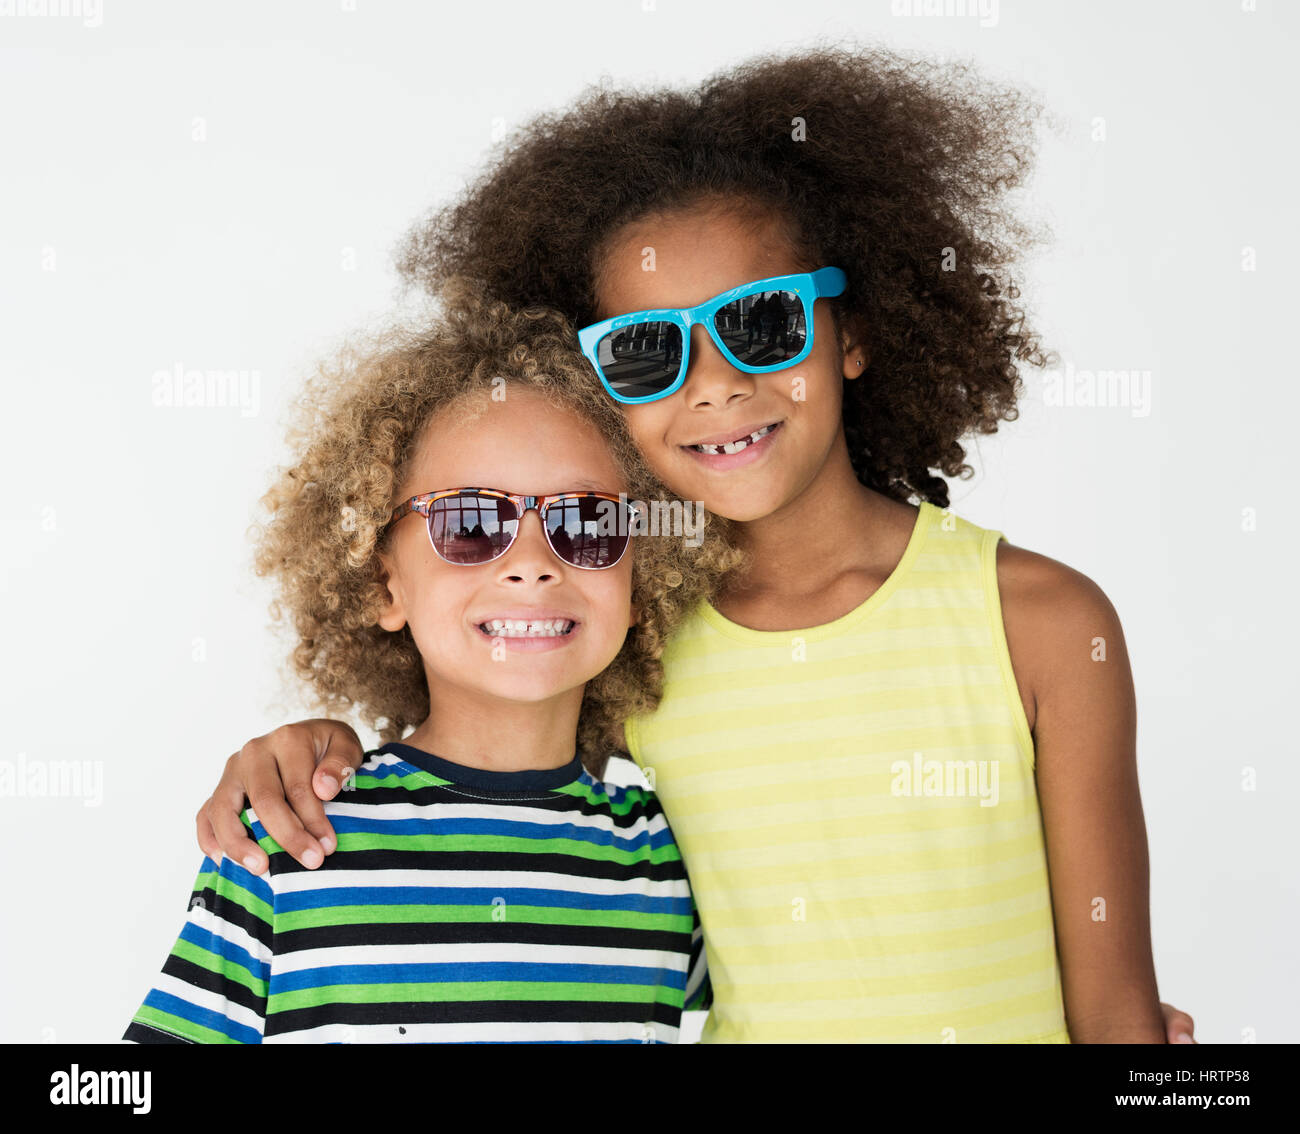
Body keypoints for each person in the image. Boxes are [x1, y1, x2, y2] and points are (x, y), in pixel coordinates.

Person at [194, 45, 1196, 1043]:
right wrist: (300, 748)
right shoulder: (631, 646)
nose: (712, 384)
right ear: (596, 398)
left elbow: (1116, 1015)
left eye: (763, 323)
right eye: (644, 349)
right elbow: (485, 757)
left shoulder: (1043, 624)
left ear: (849, 331)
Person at [125, 280, 740, 1043]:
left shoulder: (658, 860)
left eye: (586, 521)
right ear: (386, 582)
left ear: (640, 577)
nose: (532, 565)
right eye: (471, 522)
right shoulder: (291, 839)